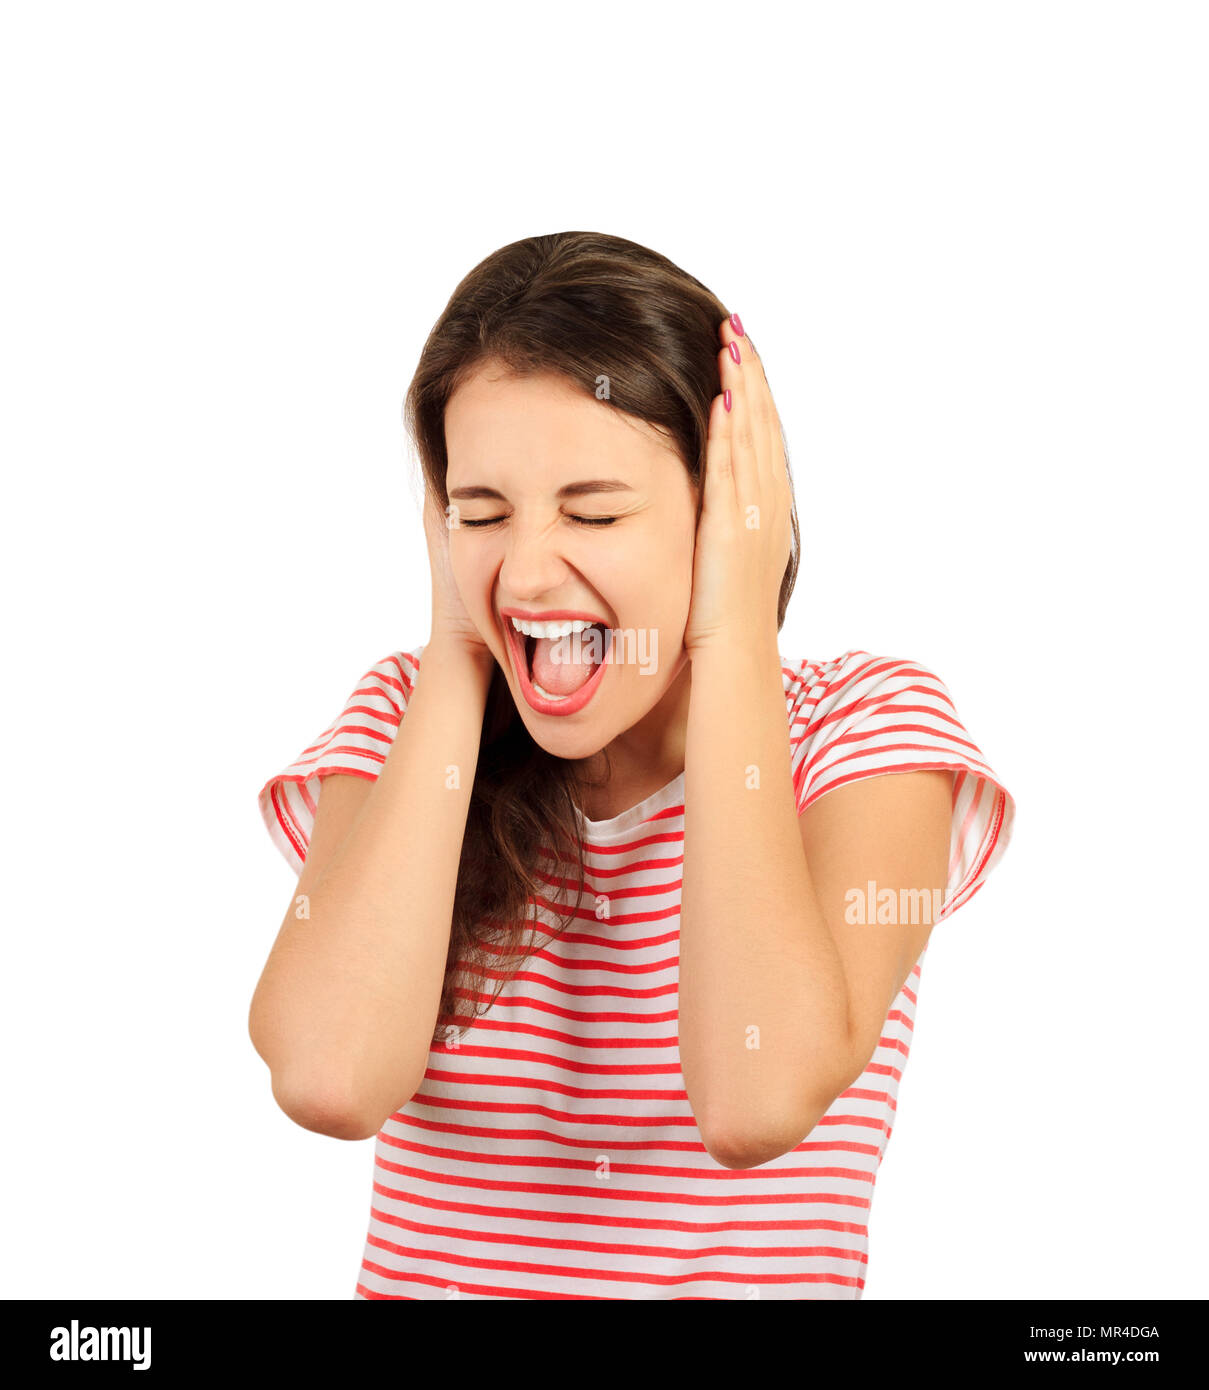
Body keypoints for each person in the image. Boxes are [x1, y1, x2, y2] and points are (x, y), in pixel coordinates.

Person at [249, 230, 1016, 1300]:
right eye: (480, 512)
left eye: (593, 510)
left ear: (723, 513)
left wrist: (733, 633)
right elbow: (330, 1078)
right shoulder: (402, 721)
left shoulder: (863, 730)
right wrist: (461, 645)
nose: (524, 569)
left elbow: (754, 1099)